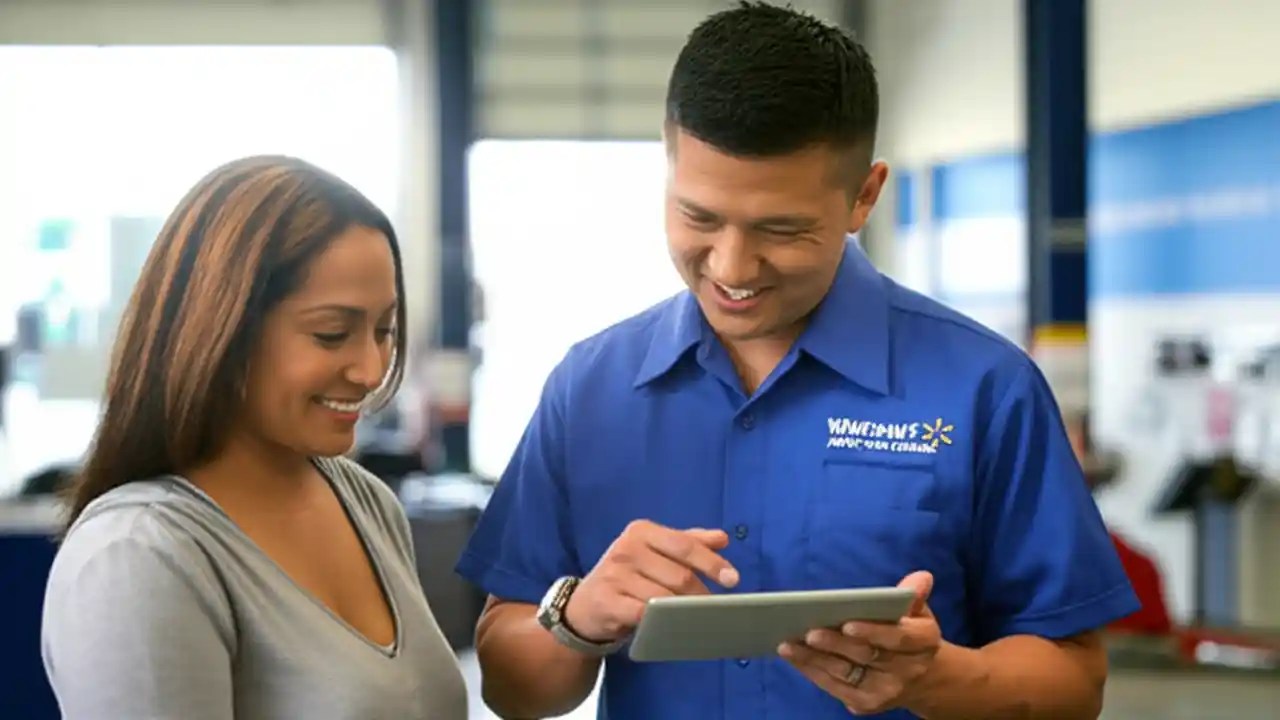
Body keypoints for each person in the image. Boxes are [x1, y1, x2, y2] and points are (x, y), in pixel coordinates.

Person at [455, 3, 1139, 719]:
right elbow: (509, 686)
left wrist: (936, 679)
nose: (731, 266)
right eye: (698, 217)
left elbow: (1074, 684)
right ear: (668, 159)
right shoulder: (591, 388)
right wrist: (579, 618)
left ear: (863, 196)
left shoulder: (984, 389)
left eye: (781, 229)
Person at [41, 156, 468, 719]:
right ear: (222, 330)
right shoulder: (139, 556)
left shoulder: (367, 504)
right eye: (331, 333)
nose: (370, 370)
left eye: (384, 330)